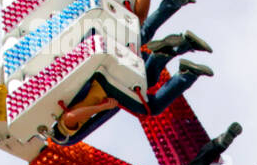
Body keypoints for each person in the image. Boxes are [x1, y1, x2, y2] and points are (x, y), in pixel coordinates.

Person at [49, 59, 213, 146]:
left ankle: (187, 74)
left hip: (105, 88)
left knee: (151, 108)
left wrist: (103, 107)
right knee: (145, 82)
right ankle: (163, 54)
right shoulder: (61, 104)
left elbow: (70, 117)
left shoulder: (65, 129)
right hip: (102, 83)